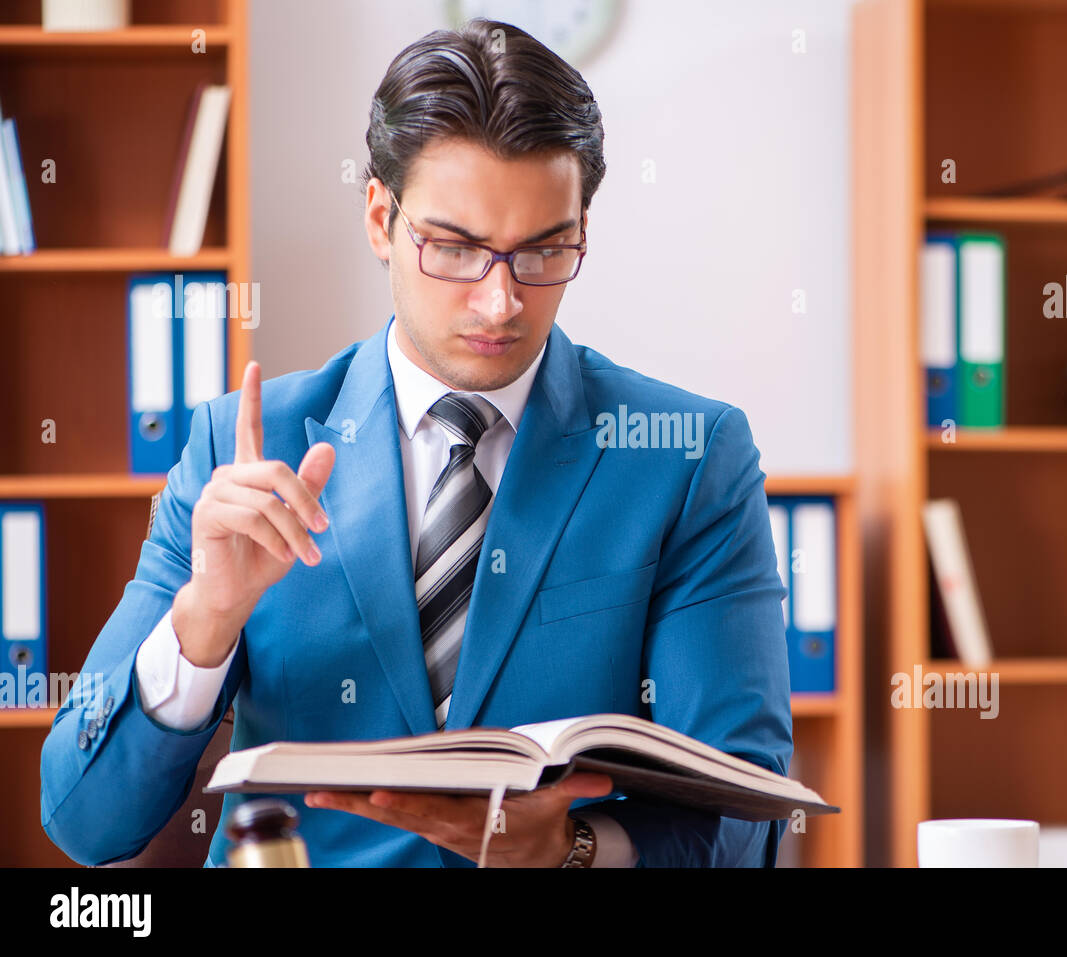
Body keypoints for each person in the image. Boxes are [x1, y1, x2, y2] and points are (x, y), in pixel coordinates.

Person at [40, 18, 792, 868]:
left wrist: (577, 846)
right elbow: (83, 819)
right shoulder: (238, 450)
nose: (501, 300)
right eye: (456, 248)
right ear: (378, 217)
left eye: (544, 250)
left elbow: (750, 813)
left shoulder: (688, 458)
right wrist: (203, 623)